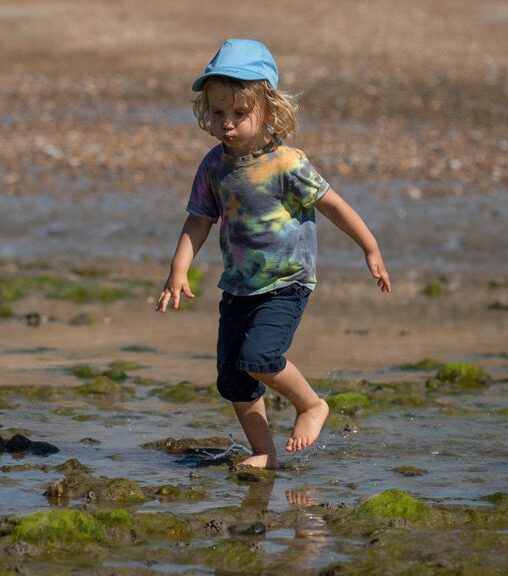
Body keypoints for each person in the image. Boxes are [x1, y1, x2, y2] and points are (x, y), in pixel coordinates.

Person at [156, 39, 391, 469]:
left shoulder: (287, 163)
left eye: (239, 114)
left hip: (286, 283)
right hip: (240, 288)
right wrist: (178, 269)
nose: (227, 124)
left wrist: (369, 247)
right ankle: (265, 454)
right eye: (218, 113)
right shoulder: (213, 166)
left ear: (269, 109)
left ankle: (312, 405)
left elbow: (333, 204)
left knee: (260, 359)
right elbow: (199, 220)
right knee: (233, 378)